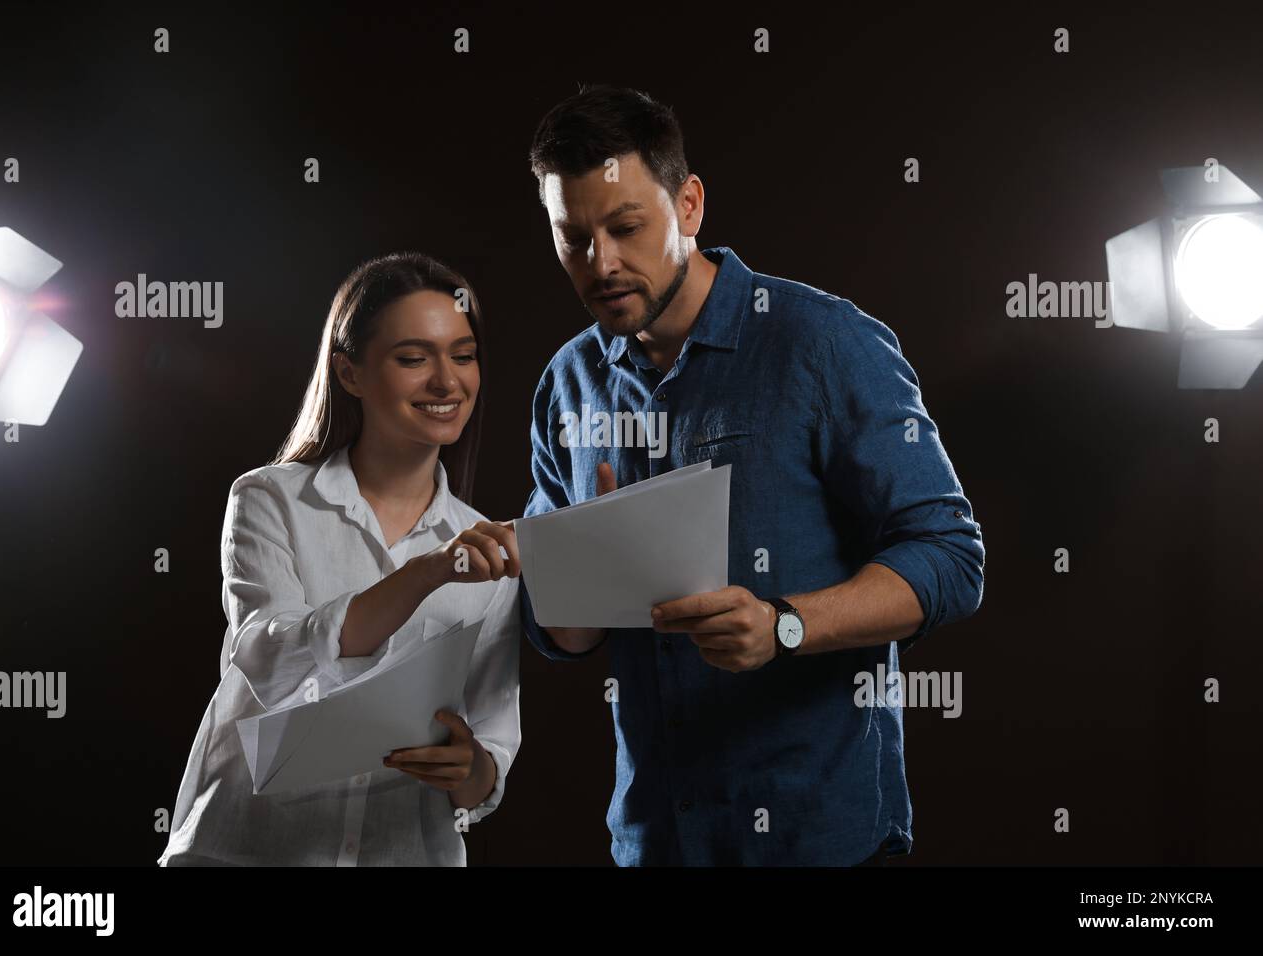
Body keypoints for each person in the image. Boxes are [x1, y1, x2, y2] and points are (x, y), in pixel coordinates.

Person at [520, 85, 986, 866]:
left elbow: (951, 558)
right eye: (574, 239)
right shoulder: (566, 384)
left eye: (626, 228)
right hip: (655, 844)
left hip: (820, 843)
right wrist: (586, 570)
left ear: (689, 205)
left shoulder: (824, 342)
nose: (603, 264)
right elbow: (561, 631)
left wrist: (783, 626)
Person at [159, 252, 521, 866]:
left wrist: (468, 767)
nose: (446, 382)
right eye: (413, 358)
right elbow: (270, 659)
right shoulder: (269, 499)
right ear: (349, 372)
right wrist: (428, 571)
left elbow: (491, 754)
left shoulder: (487, 550)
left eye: (463, 355)